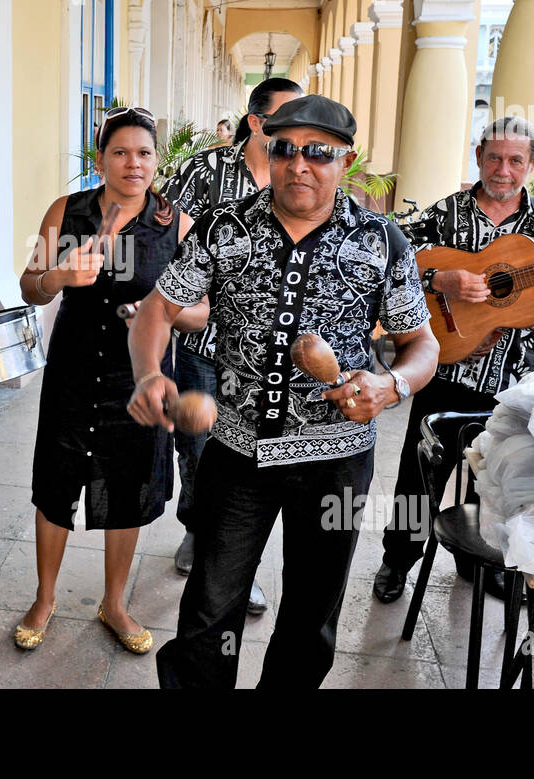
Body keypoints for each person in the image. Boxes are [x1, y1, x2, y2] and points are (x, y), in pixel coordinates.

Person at [128, 95, 439, 688]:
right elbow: (156, 310)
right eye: (285, 149)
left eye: (319, 153)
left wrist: (390, 384)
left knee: (309, 618)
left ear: (345, 160)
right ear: (267, 152)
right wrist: (149, 374)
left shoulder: (382, 241)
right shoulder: (226, 229)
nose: (300, 164)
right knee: (208, 612)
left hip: (337, 460)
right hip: (237, 450)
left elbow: (421, 346)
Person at [372, 115, 534, 604]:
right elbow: (389, 256)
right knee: (420, 470)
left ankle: (481, 557)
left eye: (516, 160)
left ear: (532, 164)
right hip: (446, 363)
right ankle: (397, 559)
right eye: (494, 157)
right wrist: (442, 281)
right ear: (478, 157)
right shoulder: (447, 212)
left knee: (497, 474)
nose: (503, 169)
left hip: (516, 376)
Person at [16, 107, 208, 654]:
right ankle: (45, 597)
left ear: (156, 160)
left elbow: (201, 313)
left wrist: (157, 308)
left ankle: (115, 602)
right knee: (55, 483)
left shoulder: (176, 225)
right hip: (74, 370)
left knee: (129, 485)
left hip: (139, 379)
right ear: (100, 160)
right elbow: (31, 285)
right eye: (120, 152)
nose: (133, 163)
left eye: (144, 153)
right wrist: (58, 275)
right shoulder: (67, 211)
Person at [161, 77, 302, 615]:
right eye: (286, 119)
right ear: (256, 122)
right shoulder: (207, 170)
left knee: (255, 453)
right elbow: (168, 225)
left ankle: (236, 563)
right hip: (204, 333)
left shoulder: (301, 175)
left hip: (271, 349)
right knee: (198, 443)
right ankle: (198, 530)